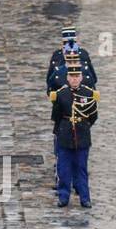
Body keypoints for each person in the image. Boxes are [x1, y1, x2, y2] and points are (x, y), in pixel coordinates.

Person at [46, 29, 97, 196]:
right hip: (64, 119)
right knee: (62, 154)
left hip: (81, 125)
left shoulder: (86, 73)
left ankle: (80, 188)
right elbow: (51, 86)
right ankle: (62, 183)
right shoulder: (58, 69)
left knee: (81, 161)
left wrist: (85, 121)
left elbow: (92, 104)